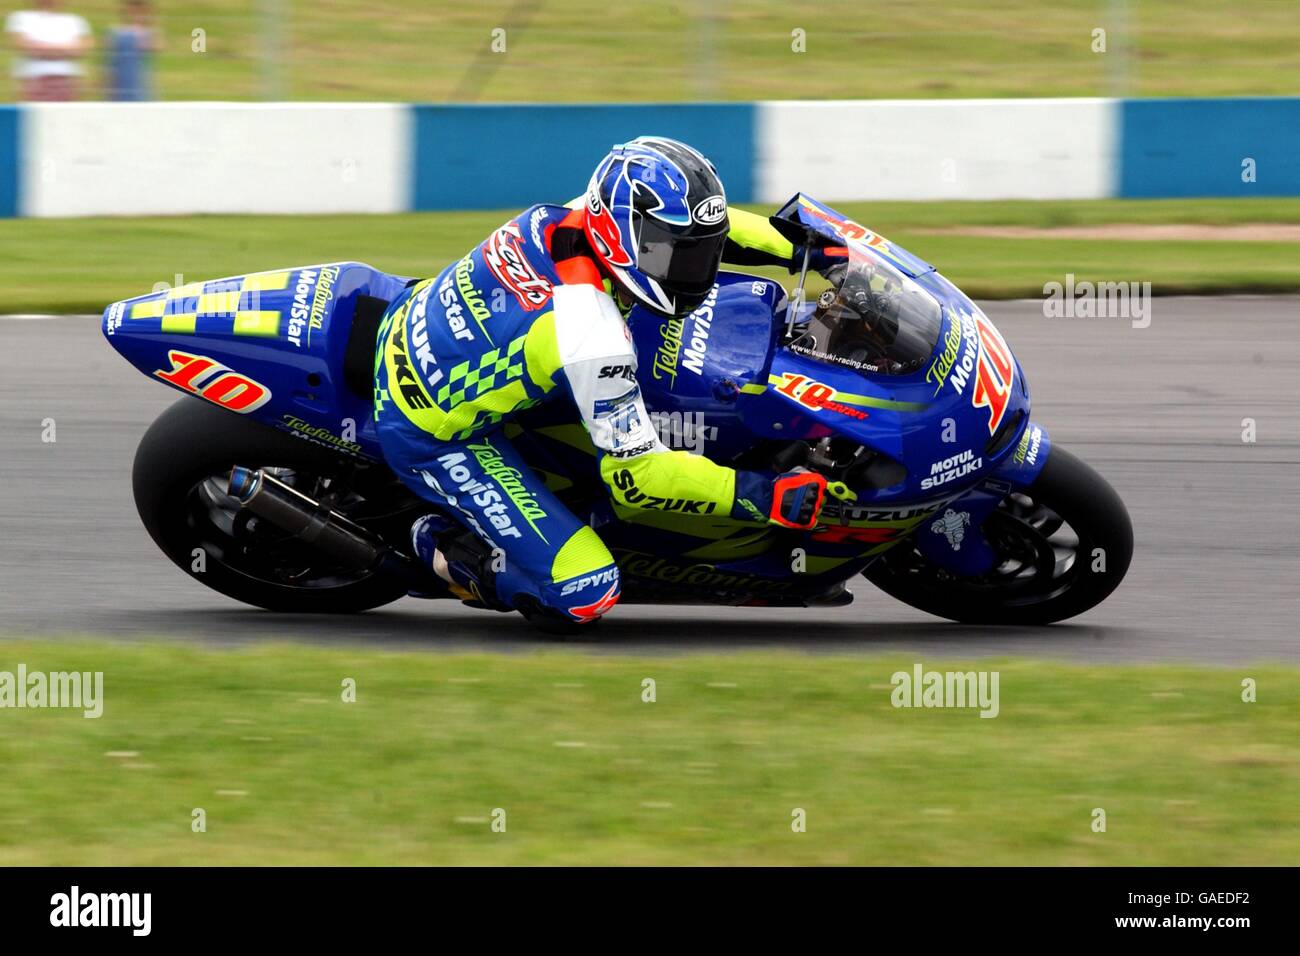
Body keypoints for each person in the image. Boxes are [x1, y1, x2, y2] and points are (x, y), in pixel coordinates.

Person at [374, 136, 832, 627]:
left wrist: (805, 247)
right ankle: (437, 546)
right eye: (675, 253)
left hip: (425, 318)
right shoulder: (591, 334)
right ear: (625, 238)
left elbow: (718, 226)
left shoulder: (579, 217)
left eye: (698, 251)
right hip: (431, 430)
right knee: (585, 590)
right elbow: (637, 478)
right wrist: (763, 495)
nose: (696, 269)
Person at [5, 0, 92, 102]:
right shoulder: (20, 18)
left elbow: (82, 48)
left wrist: (43, 48)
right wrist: (66, 49)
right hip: (34, 80)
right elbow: (23, 45)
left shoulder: (75, 21)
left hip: (68, 81)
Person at [105, 0, 158, 102]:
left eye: (139, 12)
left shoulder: (147, 32)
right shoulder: (115, 31)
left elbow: (157, 46)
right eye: (132, 11)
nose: (135, 15)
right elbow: (108, 57)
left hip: (140, 82)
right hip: (118, 81)